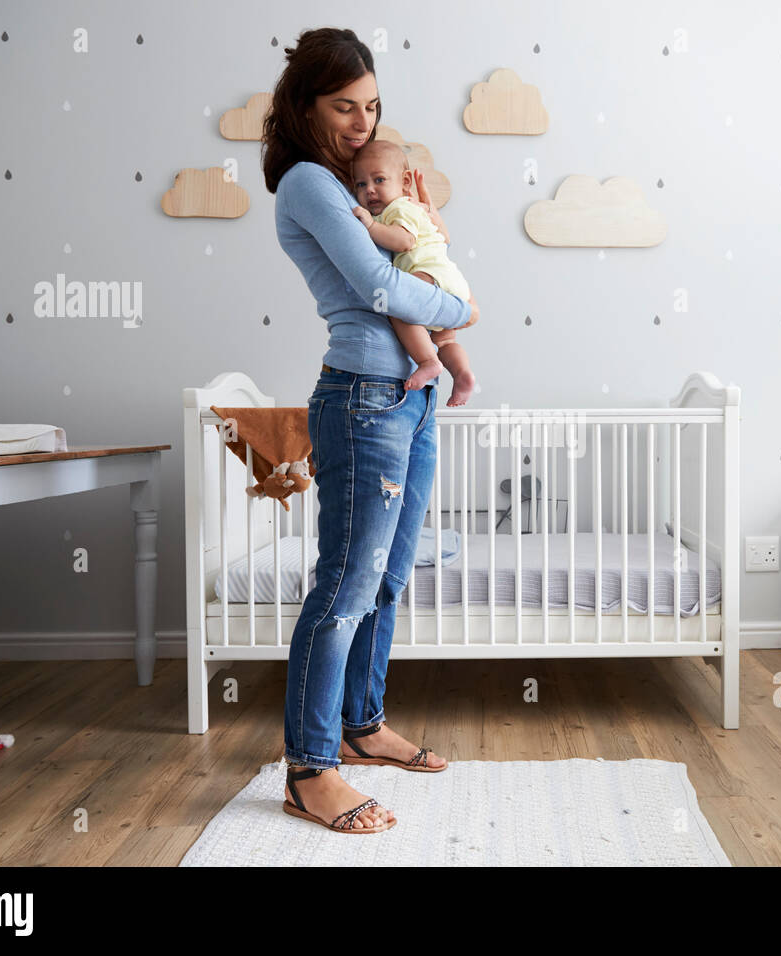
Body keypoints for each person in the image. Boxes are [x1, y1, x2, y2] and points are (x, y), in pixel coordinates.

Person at [262, 27, 479, 833]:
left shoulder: (366, 182)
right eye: (343, 106)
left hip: (407, 397)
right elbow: (385, 283)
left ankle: (360, 726)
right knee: (346, 584)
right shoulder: (311, 185)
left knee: (386, 576)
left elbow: (417, 246)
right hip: (362, 398)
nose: (360, 121)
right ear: (304, 106)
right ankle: (309, 768)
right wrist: (462, 311)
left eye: (372, 105)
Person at [350, 140, 478, 406]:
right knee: (444, 339)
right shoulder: (413, 209)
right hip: (451, 280)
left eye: (379, 180)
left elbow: (404, 241)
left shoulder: (399, 208)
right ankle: (462, 374)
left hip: (428, 272)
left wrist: (371, 226)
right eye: (361, 184)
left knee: (399, 307)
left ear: (405, 181)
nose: (370, 190)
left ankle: (427, 361)